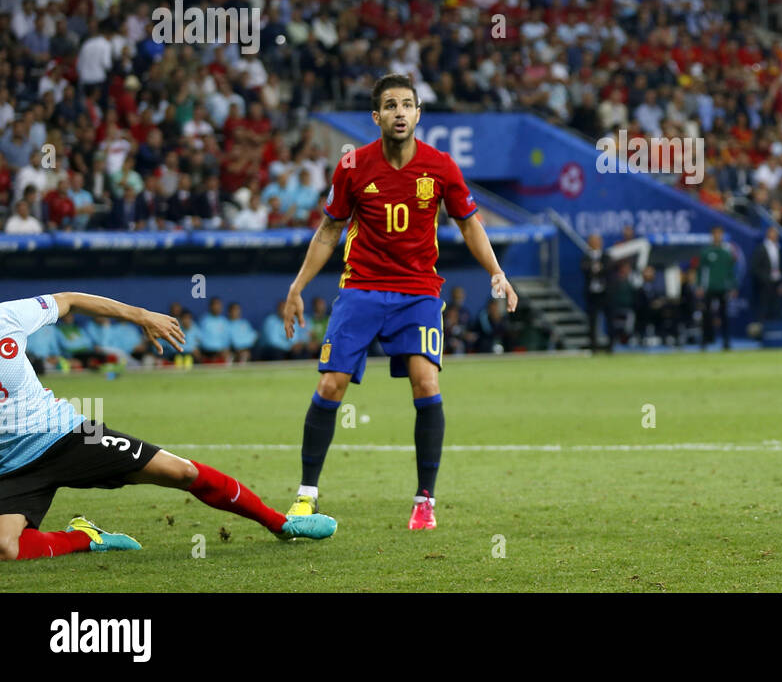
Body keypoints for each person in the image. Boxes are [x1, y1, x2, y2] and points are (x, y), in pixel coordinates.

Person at [280, 74, 517, 530]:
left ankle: (424, 499)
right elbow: (330, 229)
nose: (400, 112)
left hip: (419, 292)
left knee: (426, 384)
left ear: (418, 114)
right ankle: (306, 495)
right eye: (390, 106)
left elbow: (469, 223)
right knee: (330, 386)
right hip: (362, 288)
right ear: (377, 117)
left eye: (407, 105)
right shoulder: (352, 166)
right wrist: (297, 287)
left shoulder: (441, 166)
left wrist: (497, 273)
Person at [0, 291, 335, 562]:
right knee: (6, 547)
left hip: (67, 436)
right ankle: (85, 537)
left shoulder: (10, 317)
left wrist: (141, 315)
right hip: (11, 466)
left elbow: (69, 299)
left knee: (181, 472)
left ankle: (281, 524)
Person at [699, 226, 736, 350]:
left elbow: (730, 271)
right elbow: (700, 271)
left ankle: (726, 341)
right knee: (706, 315)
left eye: (720, 234)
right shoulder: (706, 252)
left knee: (724, 315)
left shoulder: (726, 253)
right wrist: (700, 285)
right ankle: (705, 341)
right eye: (715, 234)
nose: (717, 236)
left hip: (722, 288)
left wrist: (733, 286)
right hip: (709, 288)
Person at [581, 233, 610, 353]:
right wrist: (593, 269)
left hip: (605, 293)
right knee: (592, 320)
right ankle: (593, 347)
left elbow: (609, 270)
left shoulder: (606, 256)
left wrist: (600, 269)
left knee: (609, 319)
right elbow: (584, 269)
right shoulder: (586, 257)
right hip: (592, 293)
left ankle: (611, 346)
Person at [751, 224, 782, 324]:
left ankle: (774, 333)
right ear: (768, 234)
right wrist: (765, 279)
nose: (775, 235)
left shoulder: (779, 248)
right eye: (773, 232)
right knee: (763, 309)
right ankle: (762, 334)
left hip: (776, 283)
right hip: (764, 285)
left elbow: (780, 267)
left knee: (776, 309)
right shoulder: (761, 248)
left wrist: (781, 282)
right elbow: (755, 267)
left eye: (776, 233)